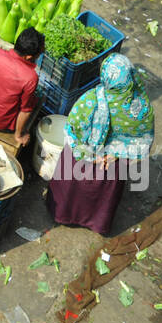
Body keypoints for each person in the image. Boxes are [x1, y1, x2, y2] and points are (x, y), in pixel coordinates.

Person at [48, 54, 154, 235]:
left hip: (82, 161)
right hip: (113, 163)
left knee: (72, 186)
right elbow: (142, 138)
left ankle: (64, 214)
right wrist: (117, 154)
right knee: (103, 195)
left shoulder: (90, 100)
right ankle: (97, 222)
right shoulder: (141, 106)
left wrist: (89, 154)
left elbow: (72, 129)